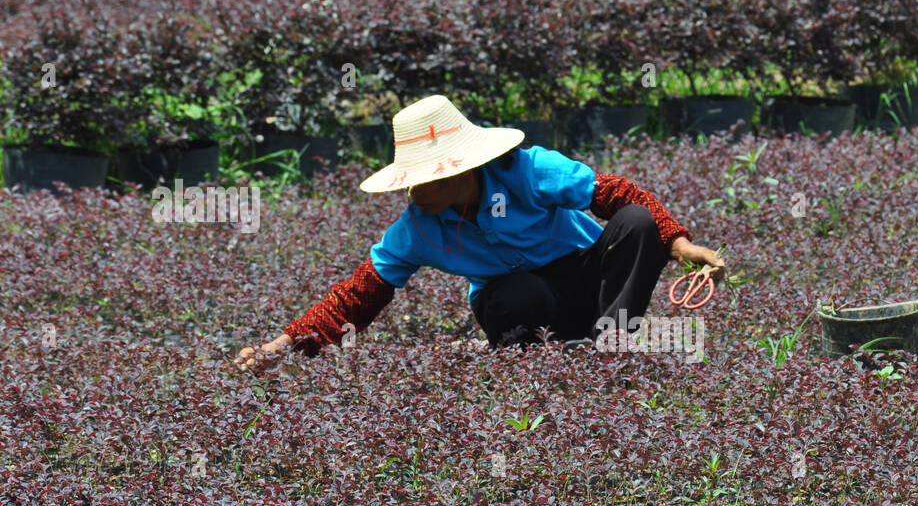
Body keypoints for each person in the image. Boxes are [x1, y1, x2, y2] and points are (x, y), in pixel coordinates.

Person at [236, 94, 727, 372]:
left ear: (461, 170)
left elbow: (617, 193)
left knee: (637, 225)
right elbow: (356, 297)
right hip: (524, 305)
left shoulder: (528, 171)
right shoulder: (417, 229)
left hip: (586, 278)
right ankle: (531, 375)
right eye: (410, 179)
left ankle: (612, 350)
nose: (413, 190)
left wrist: (680, 244)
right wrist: (279, 348)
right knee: (513, 292)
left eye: (425, 178)